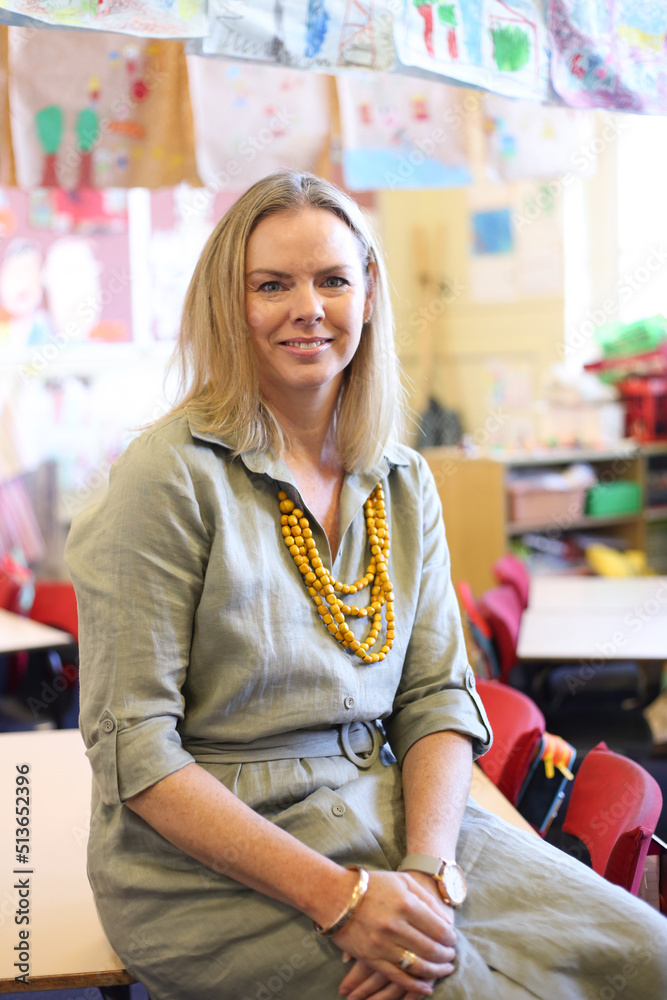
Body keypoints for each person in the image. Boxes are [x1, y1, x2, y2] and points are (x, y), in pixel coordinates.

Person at [66, 171, 666, 1000]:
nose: (307, 307)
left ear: (369, 293)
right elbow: (136, 752)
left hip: (383, 809)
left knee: (646, 953)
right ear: (226, 305)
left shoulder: (401, 480)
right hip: (202, 864)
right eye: (271, 285)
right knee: (462, 988)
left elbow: (435, 698)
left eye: (332, 279)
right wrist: (342, 901)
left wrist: (426, 870)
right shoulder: (167, 477)